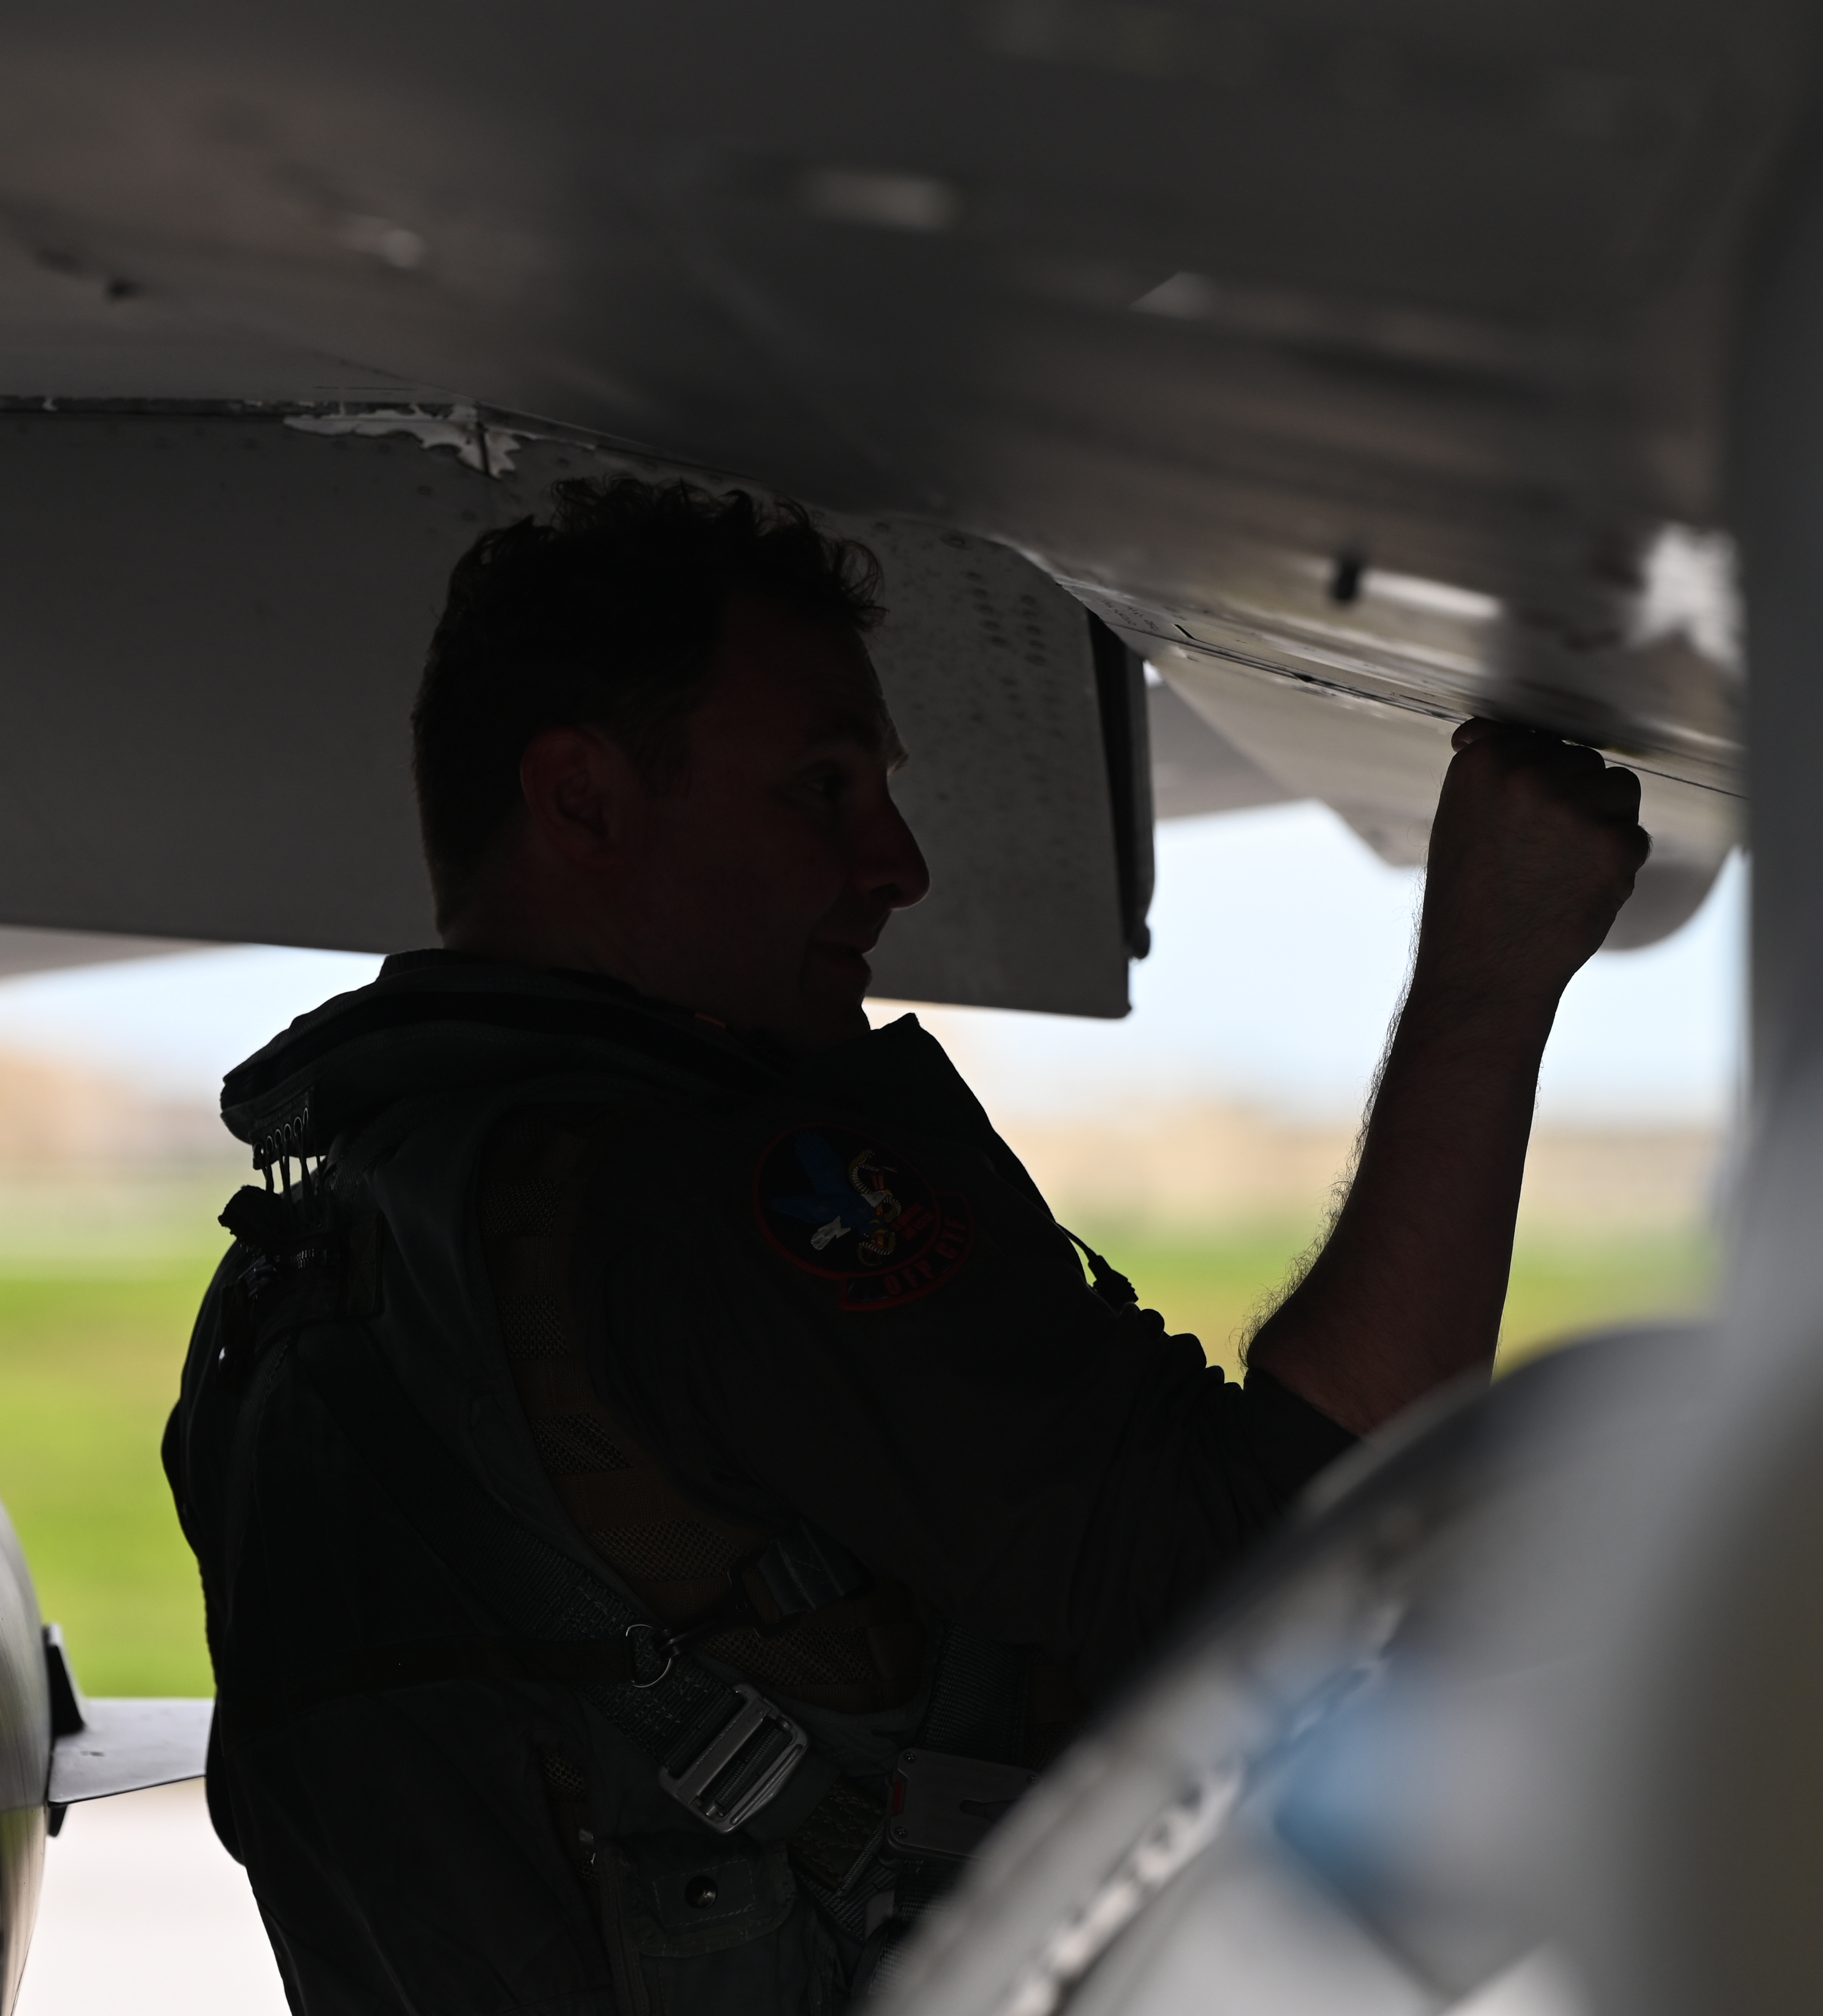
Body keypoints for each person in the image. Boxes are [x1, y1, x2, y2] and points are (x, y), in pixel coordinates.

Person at [164, 478, 1646, 2016]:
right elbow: (1273, 1563)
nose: (898, 863)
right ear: (584, 801)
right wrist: (1490, 982)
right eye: (821, 789)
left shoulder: (308, 1255)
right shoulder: (708, 1202)